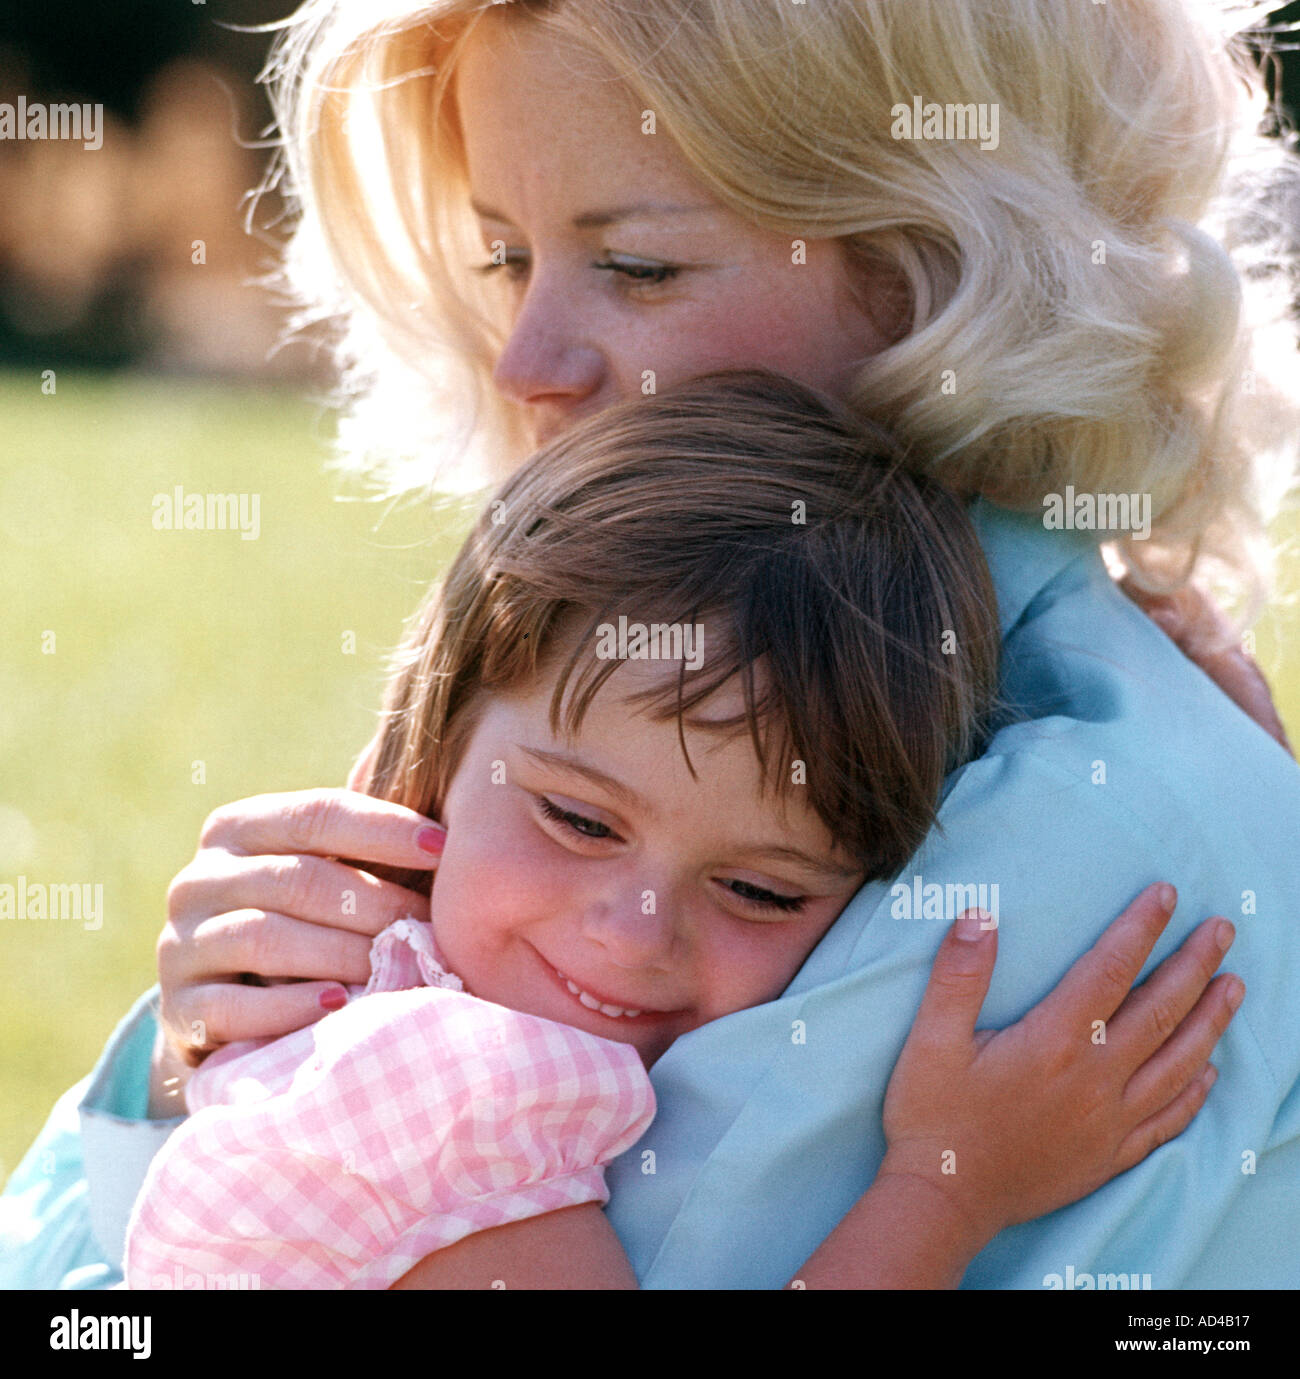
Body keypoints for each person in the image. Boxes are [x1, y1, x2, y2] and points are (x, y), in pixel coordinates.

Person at [3, 0, 1298, 1289]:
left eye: (636, 267)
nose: (523, 361)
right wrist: (193, 1053)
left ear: (939, 260)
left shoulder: (1061, 811)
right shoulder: (674, 668)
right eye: (505, 257)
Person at [123, 375, 1237, 1290]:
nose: (636, 933)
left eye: (758, 889)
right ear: (432, 753)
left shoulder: (386, 1011)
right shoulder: (440, 1089)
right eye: (575, 817)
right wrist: (949, 1189)